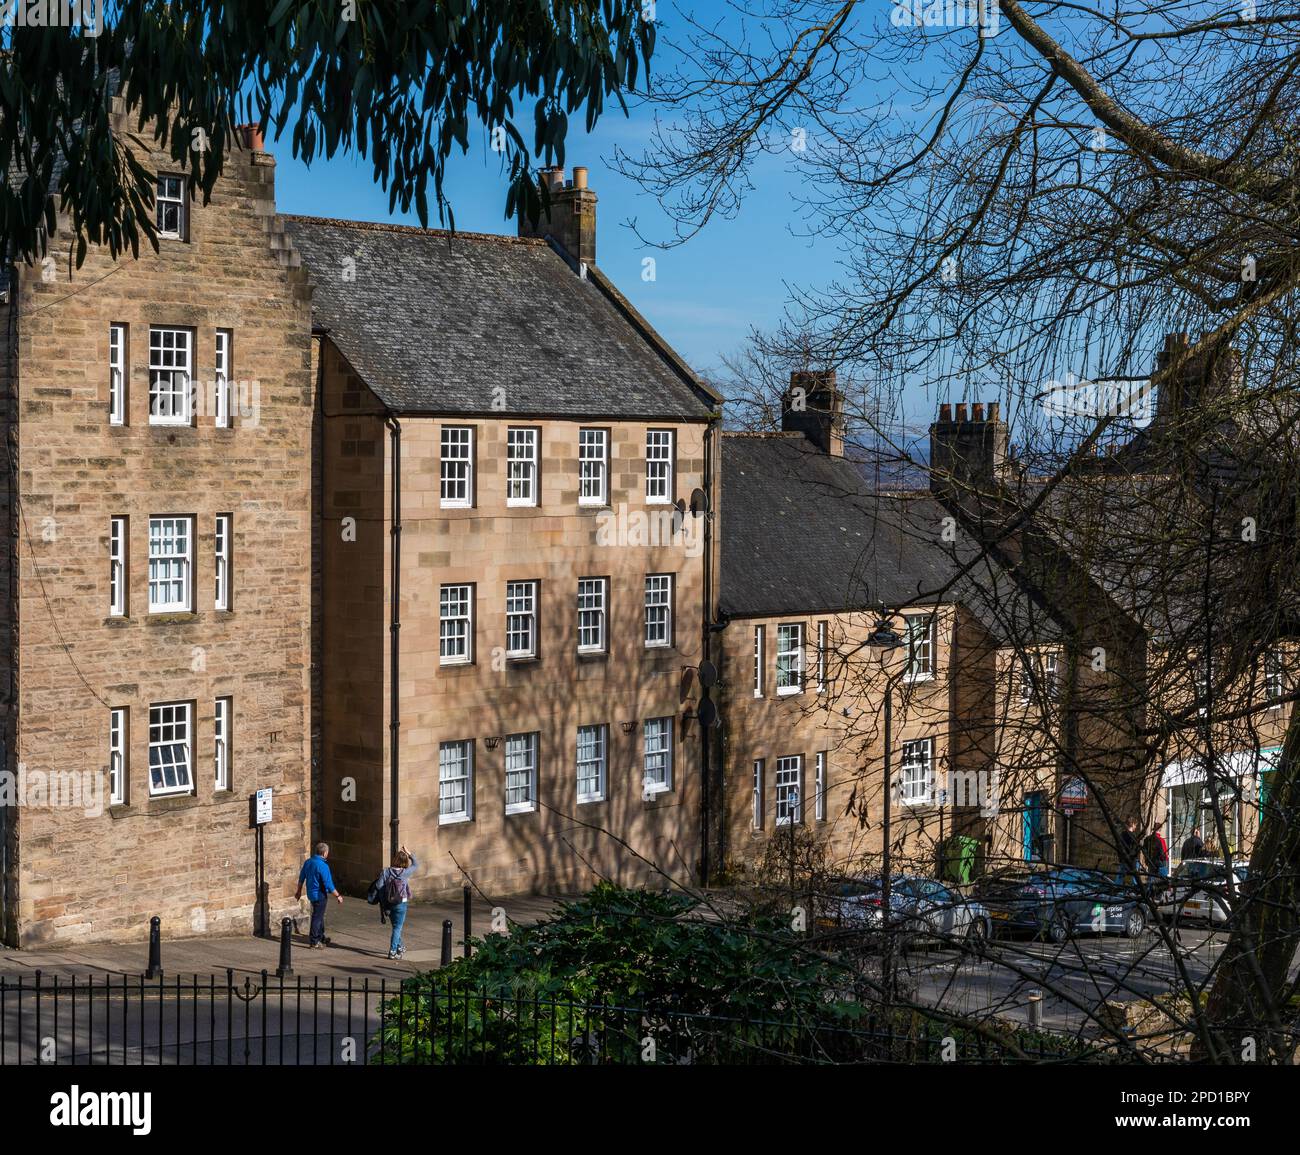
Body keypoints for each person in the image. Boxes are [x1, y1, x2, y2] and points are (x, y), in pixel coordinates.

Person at [296, 842, 342, 949]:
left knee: (319, 915)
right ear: (325, 853)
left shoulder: (308, 862)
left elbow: (301, 878)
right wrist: (338, 896)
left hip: (311, 894)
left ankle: (321, 937)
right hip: (320, 894)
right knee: (317, 917)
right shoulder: (323, 865)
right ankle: (314, 941)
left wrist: (298, 892)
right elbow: (328, 884)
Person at [377, 846, 418, 960]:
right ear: (405, 862)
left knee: (396, 927)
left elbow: (379, 887)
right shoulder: (405, 872)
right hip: (401, 903)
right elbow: (416, 864)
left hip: (388, 903)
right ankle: (393, 951)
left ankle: (400, 947)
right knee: (397, 928)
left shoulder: (386, 872)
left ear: (395, 859)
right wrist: (409, 852)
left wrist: (383, 903)